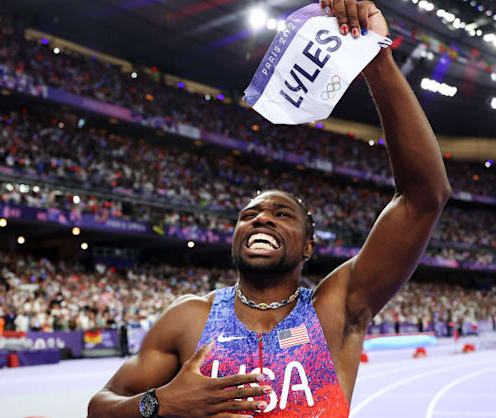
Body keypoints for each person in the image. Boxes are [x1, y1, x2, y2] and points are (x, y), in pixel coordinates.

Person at [87, 1, 451, 416]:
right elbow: (100, 408)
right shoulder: (189, 318)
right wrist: (160, 403)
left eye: (282, 215)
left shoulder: (337, 308)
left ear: (308, 246)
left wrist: (376, 57)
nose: (261, 218)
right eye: (249, 215)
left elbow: (424, 196)